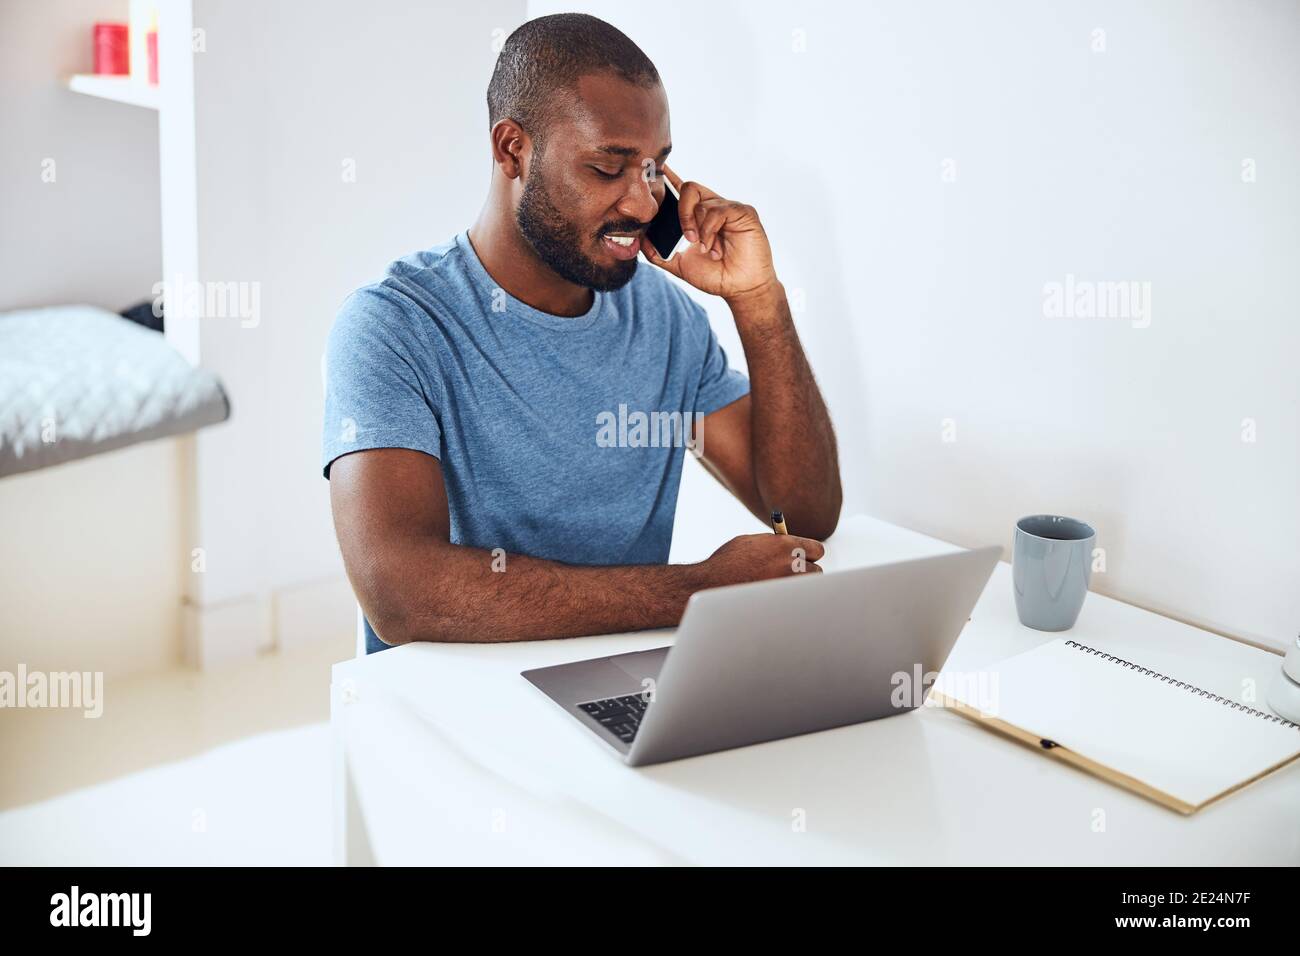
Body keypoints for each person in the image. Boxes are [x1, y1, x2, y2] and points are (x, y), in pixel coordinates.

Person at [323, 13, 841, 651]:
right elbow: (401, 594)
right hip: (450, 710)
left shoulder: (668, 320)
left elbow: (805, 514)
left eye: (655, 169)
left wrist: (759, 303)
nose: (645, 203)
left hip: (627, 690)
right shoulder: (393, 327)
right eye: (608, 168)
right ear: (513, 149)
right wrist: (694, 592)